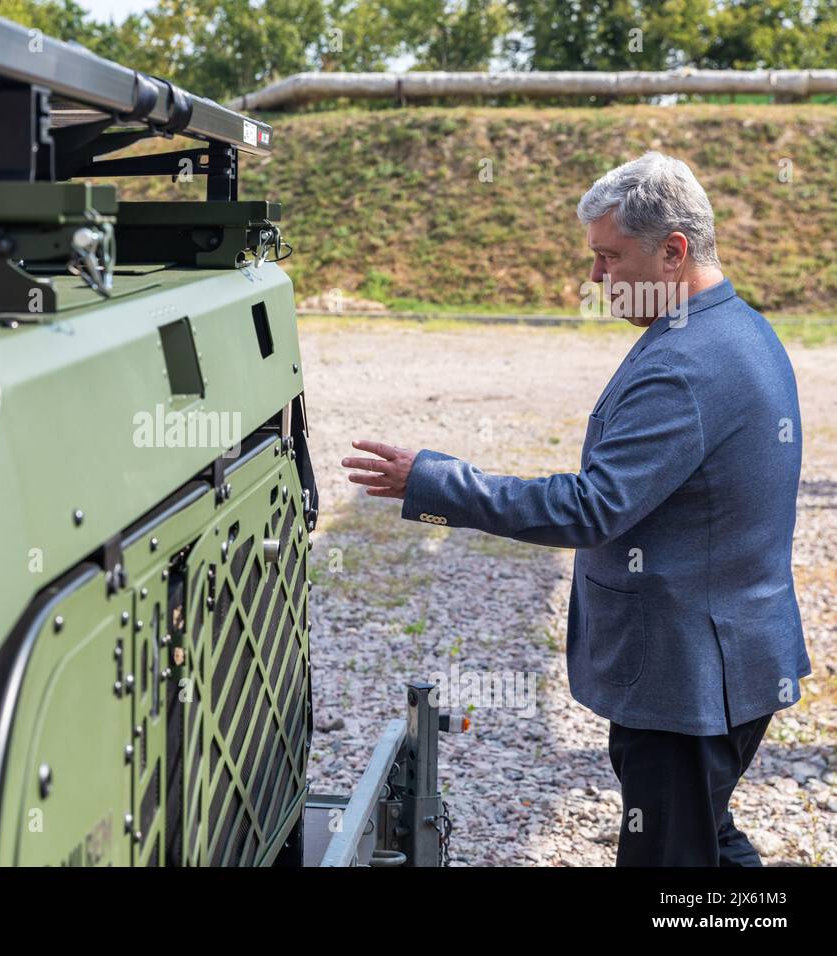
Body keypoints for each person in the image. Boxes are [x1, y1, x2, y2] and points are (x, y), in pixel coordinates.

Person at [341, 152, 812, 866]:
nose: (595, 279)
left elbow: (592, 508)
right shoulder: (734, 328)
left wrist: (434, 486)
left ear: (672, 252)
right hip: (726, 663)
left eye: (609, 257)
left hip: (688, 681)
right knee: (706, 839)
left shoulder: (686, 364)